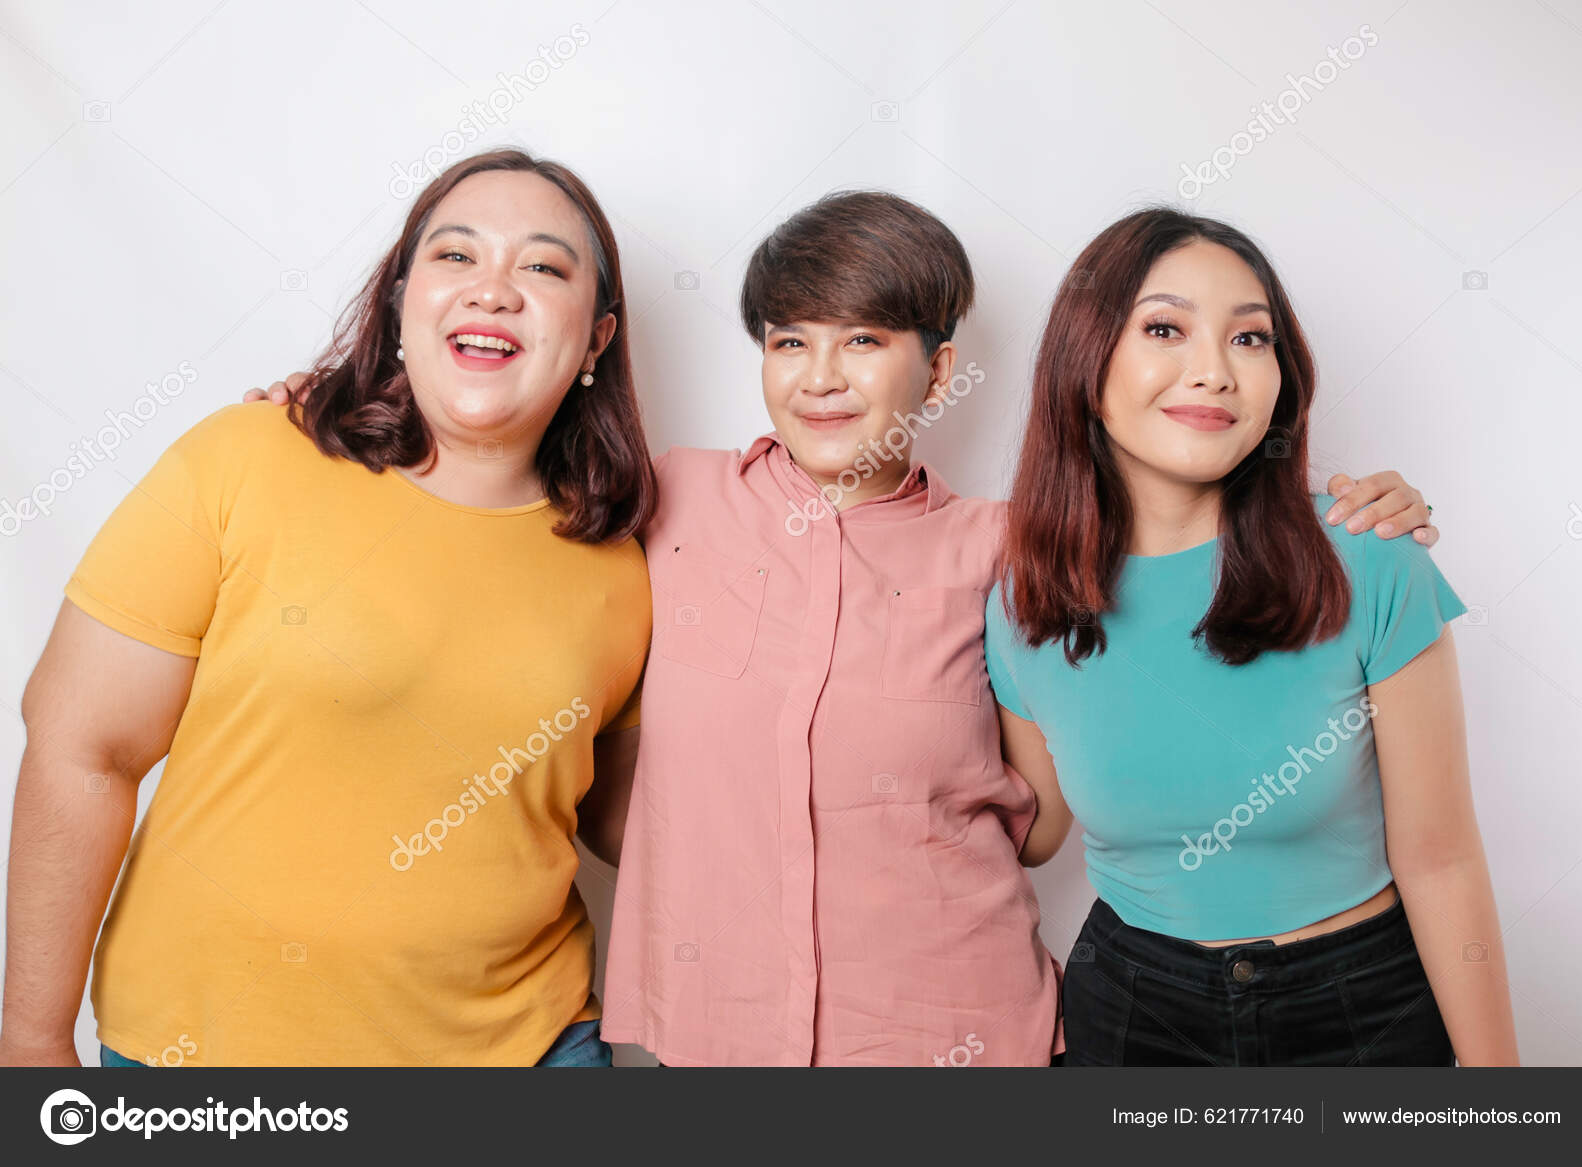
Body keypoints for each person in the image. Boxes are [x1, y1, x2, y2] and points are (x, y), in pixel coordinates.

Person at [244, 194, 1437, 1067]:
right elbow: (475, 461)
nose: (820, 376)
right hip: (698, 1045)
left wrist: (1346, 507)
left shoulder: (1016, 548)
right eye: (788, 341)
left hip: (957, 1043)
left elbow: (1178, 543)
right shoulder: (661, 499)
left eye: (863, 341)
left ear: (940, 369)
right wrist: (329, 424)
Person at [0, 149, 654, 1067]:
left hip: (534, 1051)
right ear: (397, 302)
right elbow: (82, 746)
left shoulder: (629, 561)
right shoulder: (249, 457)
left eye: (544, 267)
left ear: (595, 340)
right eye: (456, 256)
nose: (495, 289)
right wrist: (28, 1043)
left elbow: (634, 823)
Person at [985, 208, 1516, 1066]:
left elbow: (1443, 861)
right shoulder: (1022, 604)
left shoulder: (1371, 561)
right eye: (1165, 328)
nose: (1215, 371)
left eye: (1251, 339)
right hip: (1131, 1006)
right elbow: (1030, 831)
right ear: (1086, 362)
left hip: (1359, 1007)